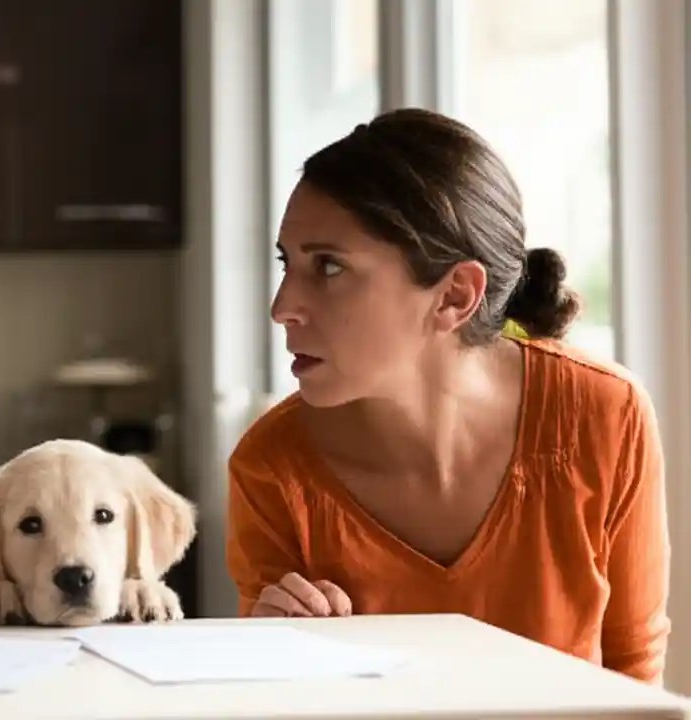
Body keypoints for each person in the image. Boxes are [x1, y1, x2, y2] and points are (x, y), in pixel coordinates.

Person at [227, 108, 670, 685]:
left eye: (328, 267)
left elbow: (633, 679)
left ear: (455, 295)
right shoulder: (270, 466)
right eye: (287, 263)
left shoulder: (607, 417)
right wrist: (272, 658)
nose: (282, 307)